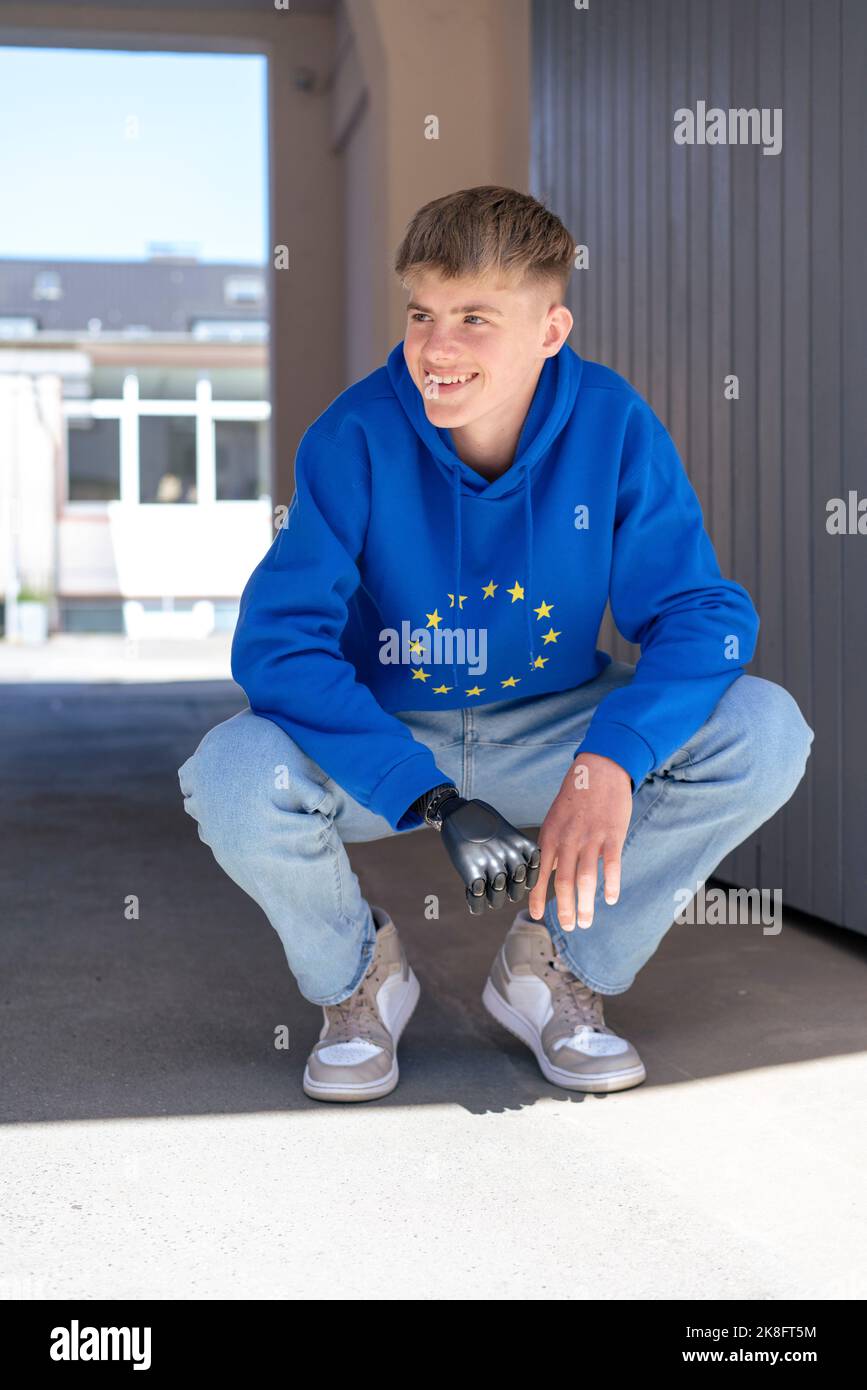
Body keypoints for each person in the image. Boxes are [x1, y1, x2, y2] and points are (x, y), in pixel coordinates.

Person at [177, 185, 813, 1103]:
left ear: (550, 331)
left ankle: (554, 966)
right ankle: (359, 978)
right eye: (423, 314)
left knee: (763, 728)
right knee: (232, 773)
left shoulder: (611, 422)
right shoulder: (353, 434)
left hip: (554, 735)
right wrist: (426, 794)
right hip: (390, 740)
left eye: (475, 318)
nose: (437, 348)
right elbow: (279, 644)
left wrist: (610, 760)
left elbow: (699, 615)